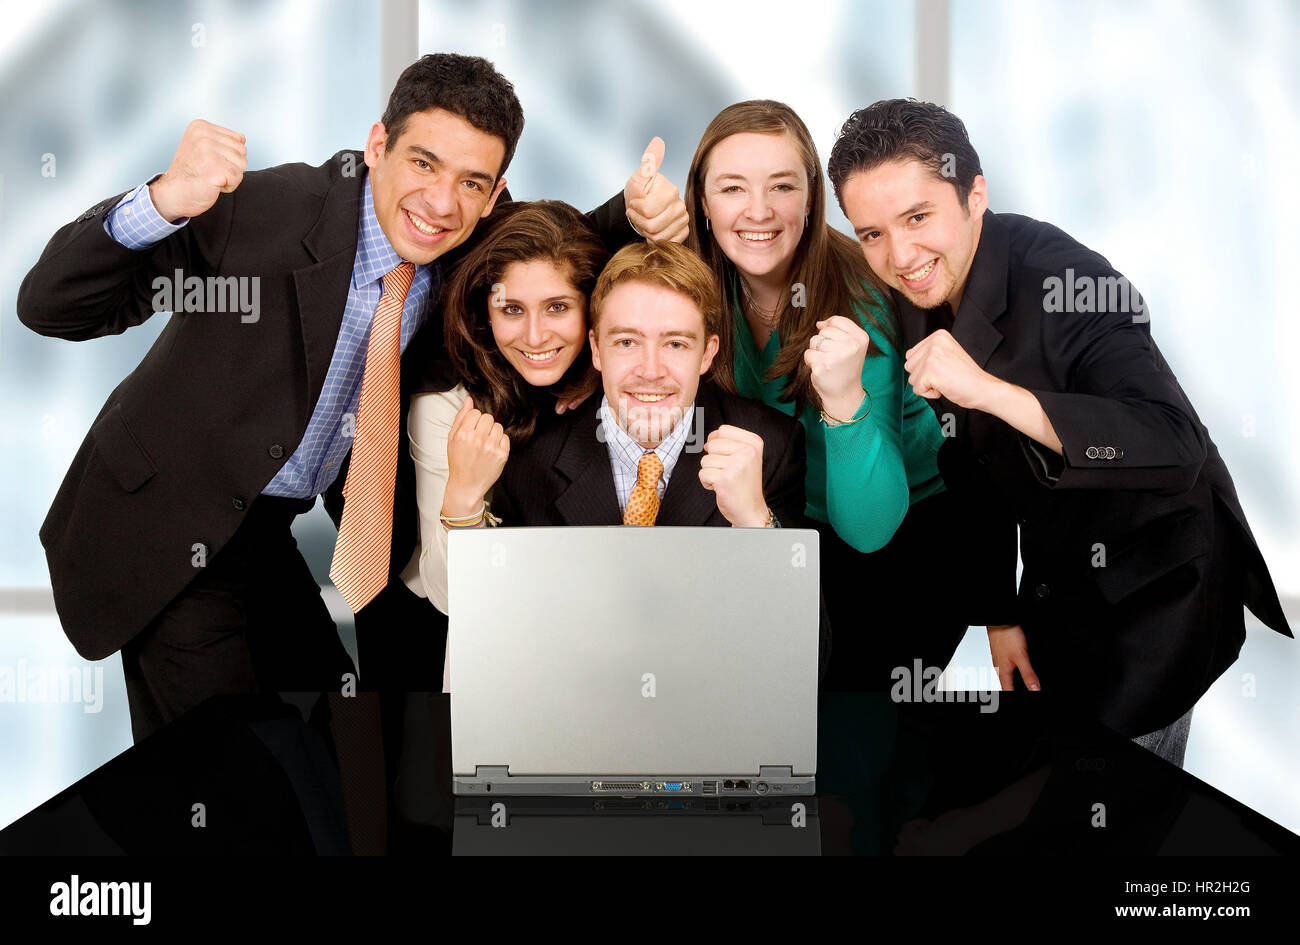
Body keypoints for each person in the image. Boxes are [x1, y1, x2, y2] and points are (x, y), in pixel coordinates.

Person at [16, 53, 688, 741]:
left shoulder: (467, 237)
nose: (440, 202)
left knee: (338, 740)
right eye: (423, 164)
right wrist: (161, 199)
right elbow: (52, 306)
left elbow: (553, 249)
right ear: (376, 146)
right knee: (223, 777)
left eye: (471, 182)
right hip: (167, 517)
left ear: (494, 195)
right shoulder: (264, 211)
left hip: (266, 532)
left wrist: (637, 216)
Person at [826, 97, 1291, 765]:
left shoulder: (1068, 281)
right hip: (1057, 582)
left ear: (975, 194)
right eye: (871, 233)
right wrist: (998, 612)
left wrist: (988, 391)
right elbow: (972, 465)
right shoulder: (914, 292)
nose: (900, 255)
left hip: (1155, 587)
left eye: (918, 216)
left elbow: (1172, 441)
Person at [684, 100, 969, 690]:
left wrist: (843, 402)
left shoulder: (864, 295)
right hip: (771, 527)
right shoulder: (693, 280)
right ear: (702, 201)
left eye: (782, 186)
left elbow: (868, 530)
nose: (758, 211)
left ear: (812, 196)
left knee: (856, 744)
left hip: (895, 549)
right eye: (732, 188)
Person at [481, 240, 822, 677]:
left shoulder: (771, 447)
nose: (651, 370)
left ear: (708, 353)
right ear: (596, 350)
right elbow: (507, 647)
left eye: (676, 344)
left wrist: (758, 525)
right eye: (627, 342)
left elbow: (813, 659)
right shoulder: (528, 457)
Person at [399, 200, 611, 690]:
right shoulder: (446, 406)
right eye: (511, 310)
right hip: (467, 626)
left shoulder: (626, 373)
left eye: (557, 307)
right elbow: (451, 595)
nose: (535, 336)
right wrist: (464, 497)